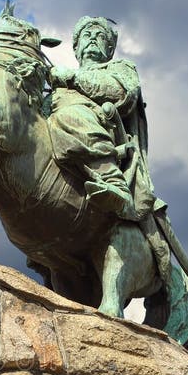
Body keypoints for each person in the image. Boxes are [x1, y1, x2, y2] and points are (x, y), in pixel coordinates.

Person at [49, 16, 160, 222]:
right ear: (76, 47)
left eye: (100, 36)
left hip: (105, 130)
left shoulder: (121, 68)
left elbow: (119, 94)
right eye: (87, 35)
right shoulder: (60, 80)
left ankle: (113, 180)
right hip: (61, 137)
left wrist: (72, 78)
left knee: (71, 114)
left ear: (109, 49)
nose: (92, 39)